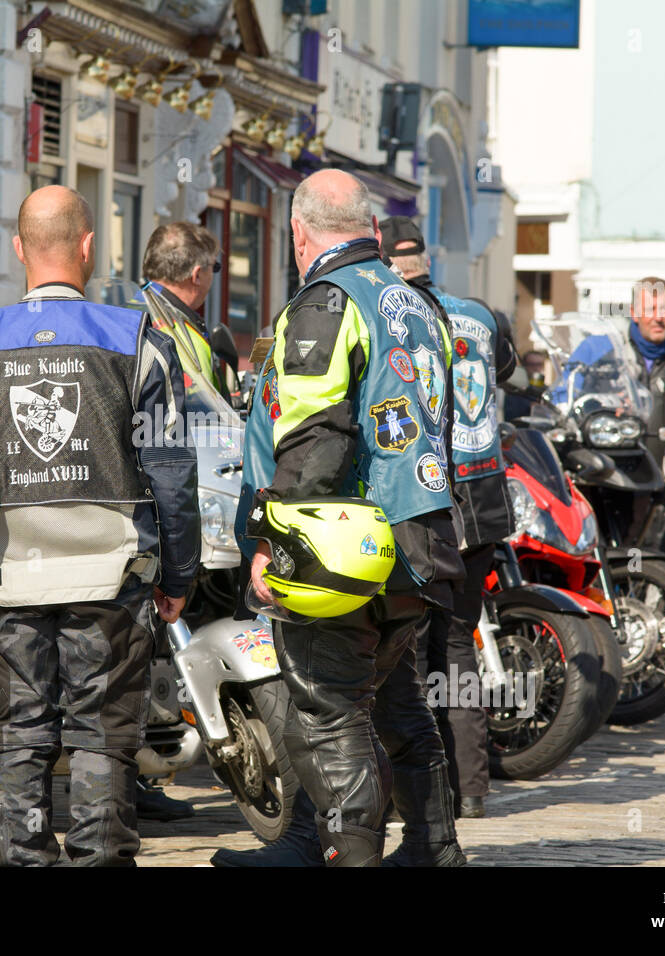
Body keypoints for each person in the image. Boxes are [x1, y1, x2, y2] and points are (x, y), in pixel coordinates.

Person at [0, 185, 200, 866]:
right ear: (90, 246)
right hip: (111, 581)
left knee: (20, 732)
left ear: (19, 250)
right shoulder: (140, 343)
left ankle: (23, 856)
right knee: (102, 735)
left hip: (1, 580)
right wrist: (179, 575)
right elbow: (171, 474)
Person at [217, 171, 464, 867]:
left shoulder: (325, 302)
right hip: (420, 537)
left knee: (327, 709)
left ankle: (352, 854)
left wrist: (275, 546)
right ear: (374, 231)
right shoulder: (416, 303)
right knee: (391, 702)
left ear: (299, 232)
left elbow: (315, 438)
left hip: (348, 546)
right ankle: (428, 846)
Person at [380, 216, 518, 817]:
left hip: (427, 496)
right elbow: (504, 369)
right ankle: (471, 790)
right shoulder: (482, 314)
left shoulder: (399, 318)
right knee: (458, 641)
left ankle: (411, 793)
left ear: (387, 262)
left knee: (400, 647)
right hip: (483, 497)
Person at [561, 277, 665, 709]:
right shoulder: (603, 350)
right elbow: (564, 401)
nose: (659, 317)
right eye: (651, 308)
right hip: (612, 489)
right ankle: (603, 672)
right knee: (612, 575)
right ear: (633, 311)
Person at [140, 222, 228, 394]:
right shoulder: (186, 339)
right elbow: (199, 412)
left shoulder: (127, 310)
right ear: (196, 275)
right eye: (214, 267)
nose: (213, 275)